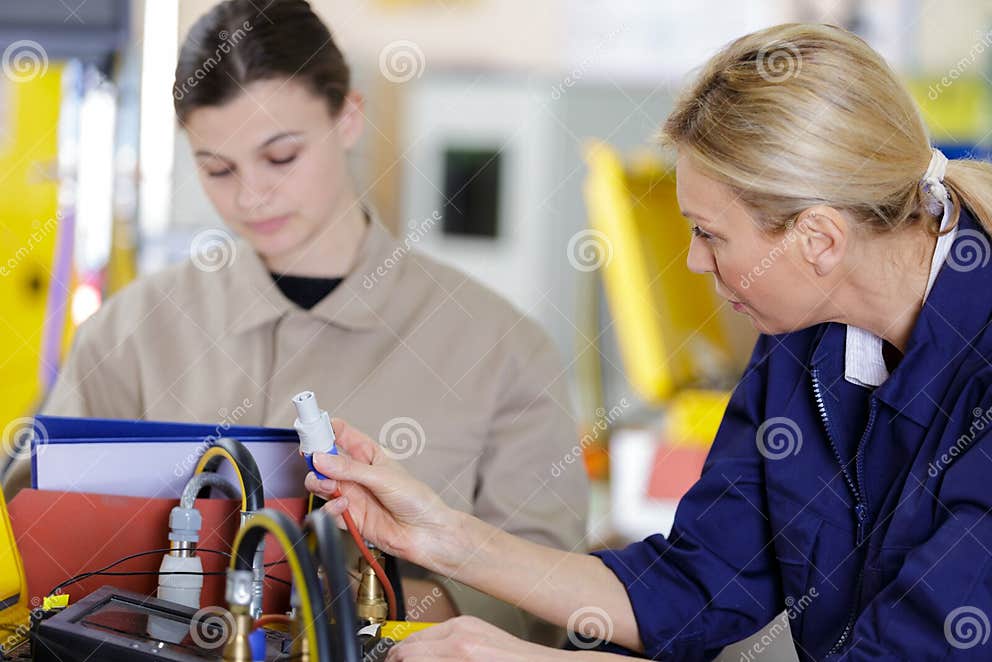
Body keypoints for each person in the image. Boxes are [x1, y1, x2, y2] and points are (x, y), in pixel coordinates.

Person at [304, 23, 992, 661]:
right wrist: (444, 537)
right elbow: (693, 588)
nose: (693, 260)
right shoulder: (801, 341)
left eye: (710, 234)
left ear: (818, 238)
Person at [6, 0, 588, 643]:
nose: (251, 195)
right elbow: (30, 527)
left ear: (349, 118)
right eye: (217, 168)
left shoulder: (502, 348)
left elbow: (549, 591)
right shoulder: (131, 331)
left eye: (280, 156)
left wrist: (373, 609)